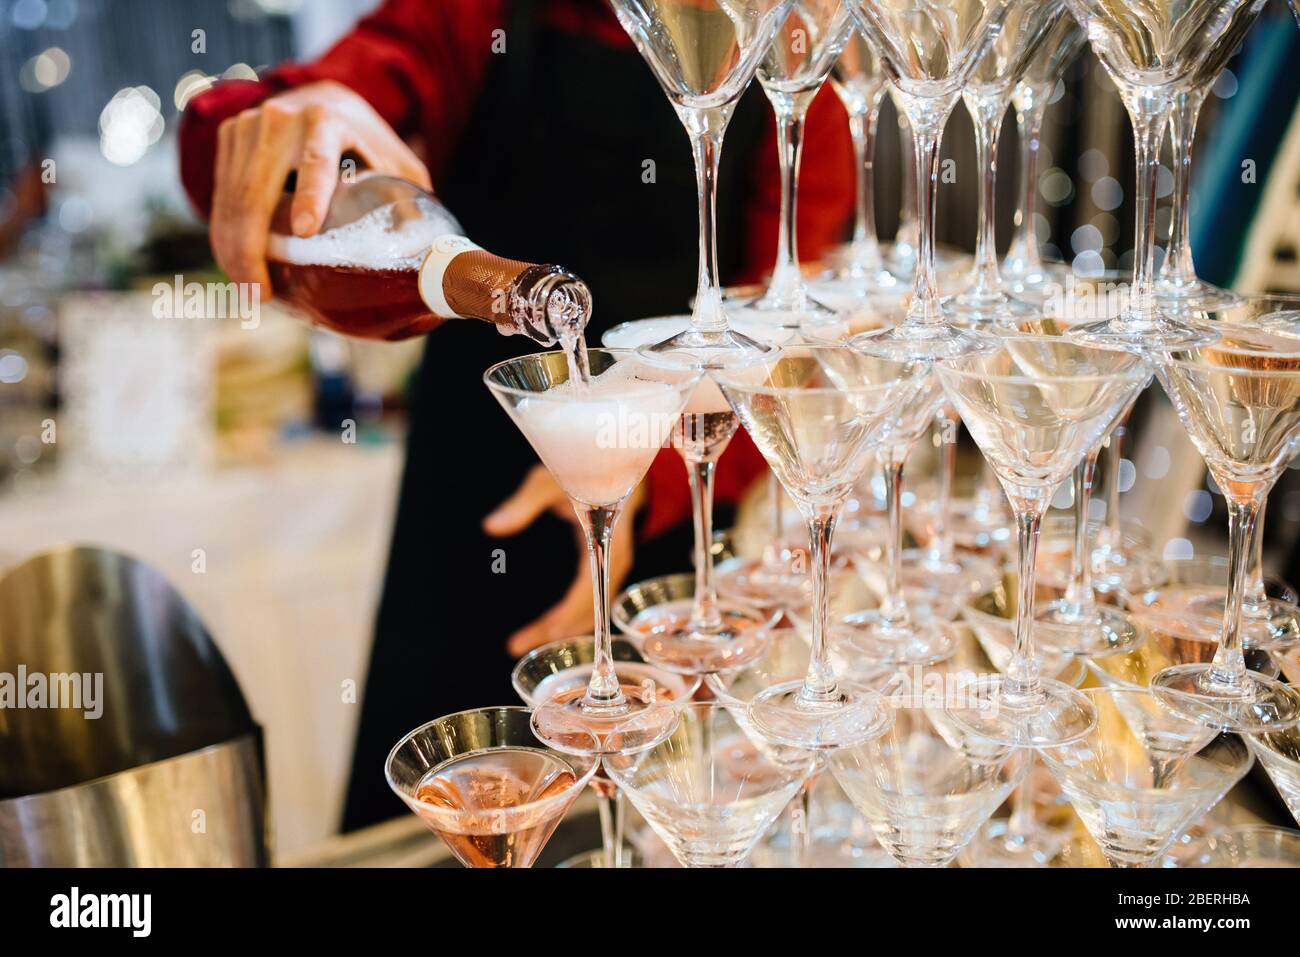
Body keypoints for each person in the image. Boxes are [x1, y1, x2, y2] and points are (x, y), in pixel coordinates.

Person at [179, 0, 853, 831]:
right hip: (473, 499)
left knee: (659, 816)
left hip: (669, 495)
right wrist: (284, 121)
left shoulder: (790, 45)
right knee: (455, 797)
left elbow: (780, 352)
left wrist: (646, 478)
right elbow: (255, 125)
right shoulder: (479, 12)